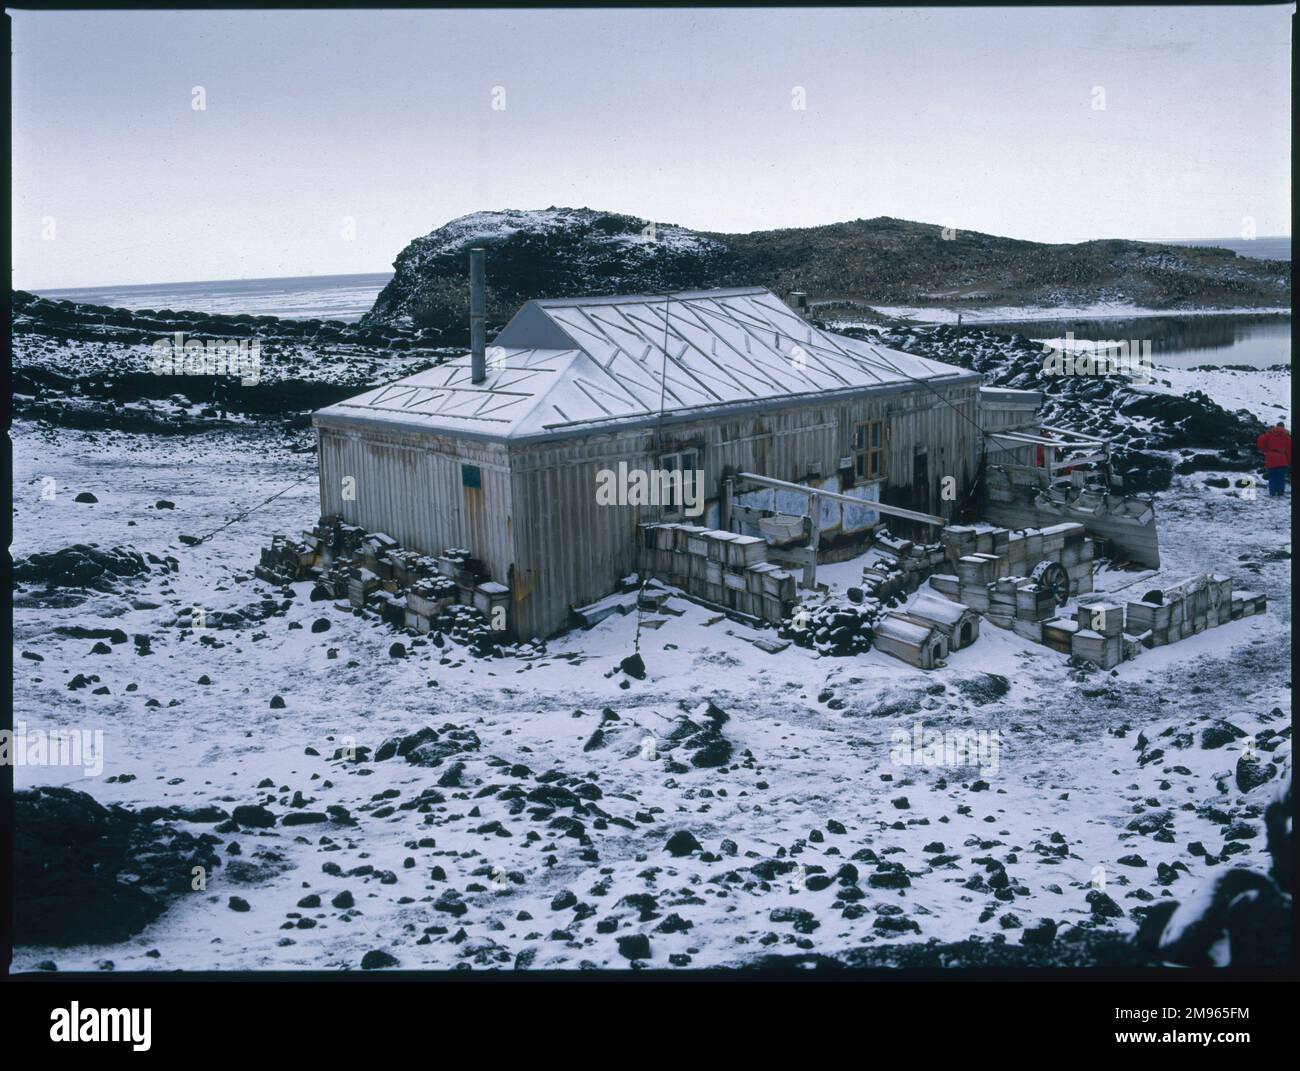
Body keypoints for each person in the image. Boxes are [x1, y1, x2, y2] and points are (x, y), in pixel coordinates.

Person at [1256, 420, 1291, 497]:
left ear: (1276, 426)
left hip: (1271, 457)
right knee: (1281, 478)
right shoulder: (1287, 437)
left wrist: (1265, 450)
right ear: (1283, 427)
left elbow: (1260, 440)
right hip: (1282, 458)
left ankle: (1272, 493)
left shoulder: (1269, 434)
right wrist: (1289, 462)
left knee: (1272, 477)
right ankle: (1280, 493)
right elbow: (1289, 450)